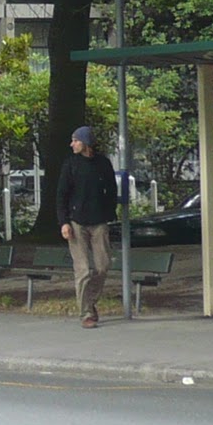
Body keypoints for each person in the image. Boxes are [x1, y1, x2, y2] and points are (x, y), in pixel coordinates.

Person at [55, 124, 119, 329]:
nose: (71, 144)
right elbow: (61, 195)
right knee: (83, 269)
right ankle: (86, 314)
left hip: (99, 221)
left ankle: (89, 302)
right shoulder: (70, 164)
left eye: (75, 140)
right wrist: (64, 222)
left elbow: (111, 190)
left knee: (102, 266)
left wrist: (109, 213)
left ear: (86, 142)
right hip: (76, 223)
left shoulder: (103, 164)